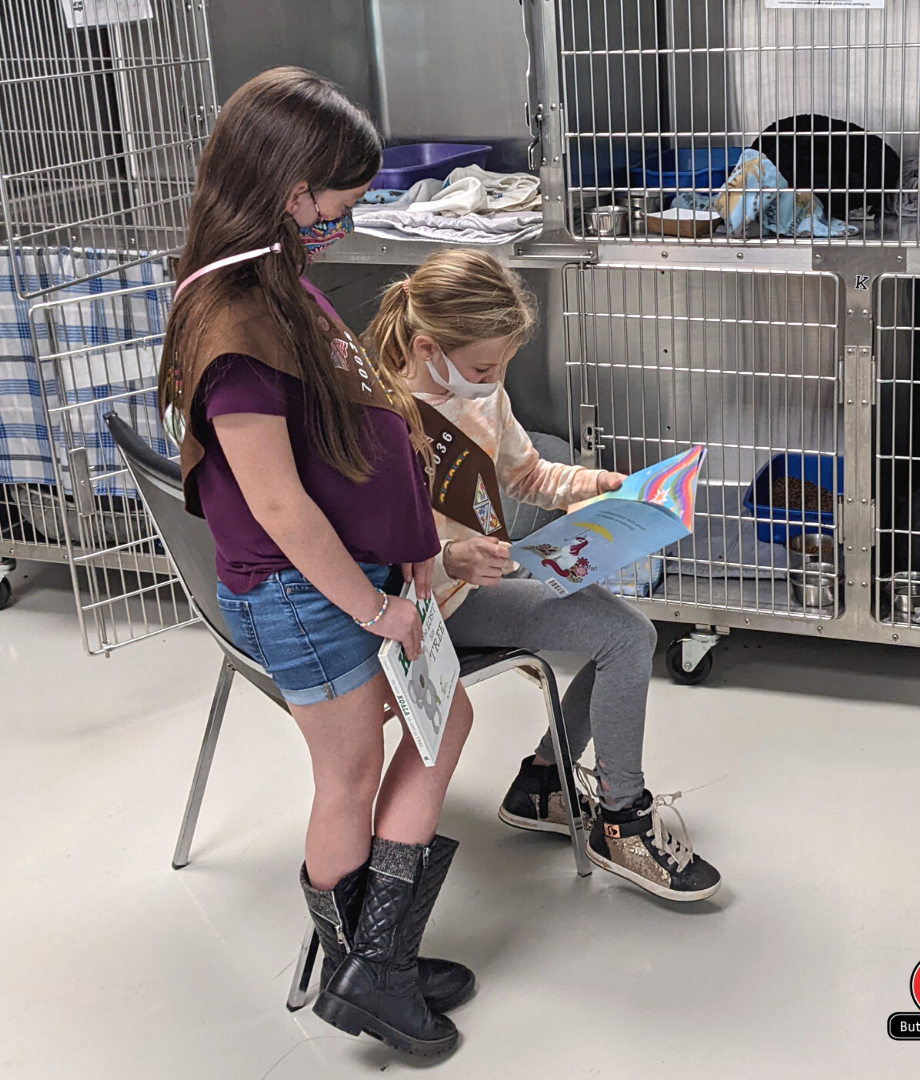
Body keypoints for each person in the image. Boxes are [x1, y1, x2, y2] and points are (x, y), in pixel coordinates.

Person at [158, 68, 473, 1058]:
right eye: (341, 201)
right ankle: (368, 974)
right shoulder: (231, 324)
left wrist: (410, 555)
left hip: (347, 579)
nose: (348, 217)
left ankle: (376, 960)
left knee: (442, 723)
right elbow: (279, 505)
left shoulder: (270, 278)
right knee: (350, 778)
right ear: (291, 190)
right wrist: (378, 611)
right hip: (306, 594)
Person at [366, 249, 722, 903]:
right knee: (626, 639)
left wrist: (601, 487)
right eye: (483, 368)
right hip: (424, 612)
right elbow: (362, 551)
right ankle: (621, 824)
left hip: (479, 582)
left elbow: (528, 475)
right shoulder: (379, 416)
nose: (493, 380)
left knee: (628, 636)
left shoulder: (480, 395)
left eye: (501, 367)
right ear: (426, 347)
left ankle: (544, 786)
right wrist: (449, 560)